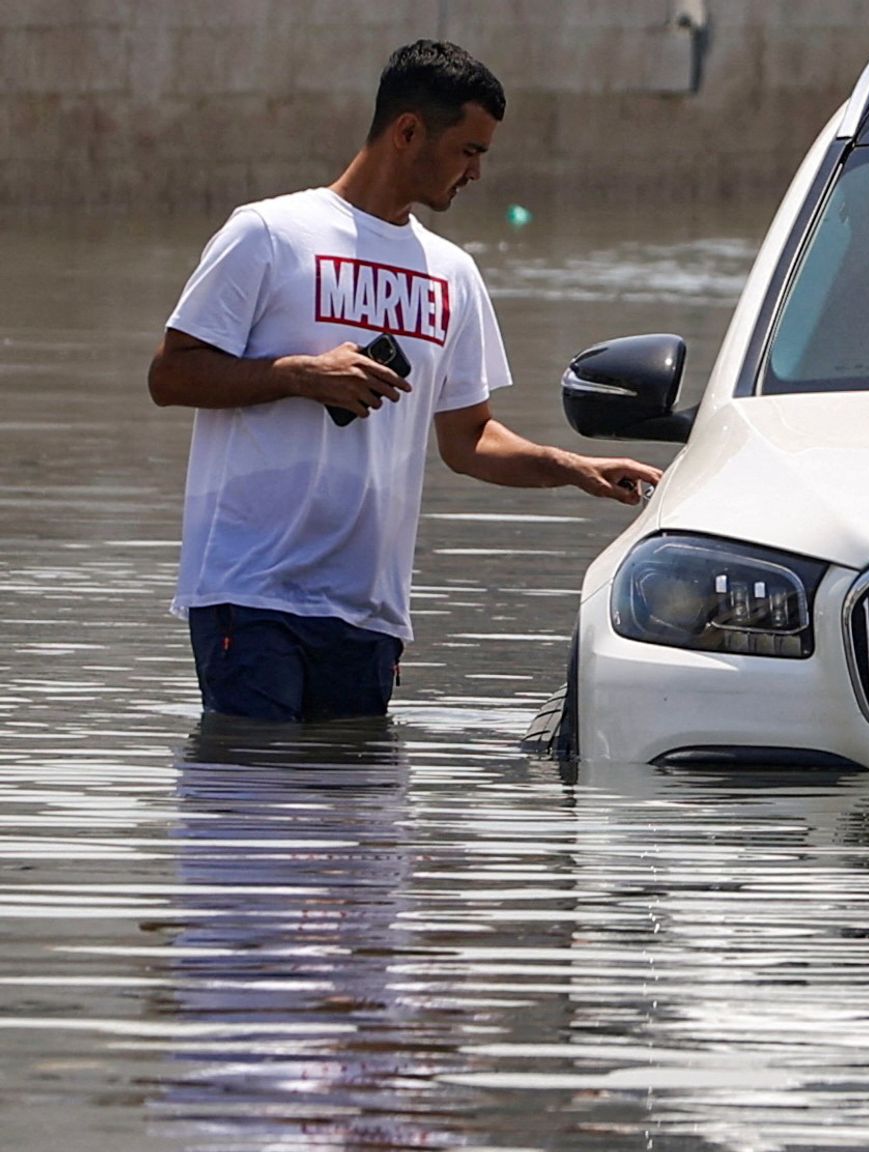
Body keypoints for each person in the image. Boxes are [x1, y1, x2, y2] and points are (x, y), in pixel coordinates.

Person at [147, 40, 662, 723]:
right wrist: (298, 375)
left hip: (368, 608)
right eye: (468, 150)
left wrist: (573, 468)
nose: (477, 172)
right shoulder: (269, 235)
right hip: (252, 591)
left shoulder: (451, 273)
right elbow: (170, 373)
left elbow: (468, 439)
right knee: (256, 807)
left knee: (356, 814)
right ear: (408, 132)